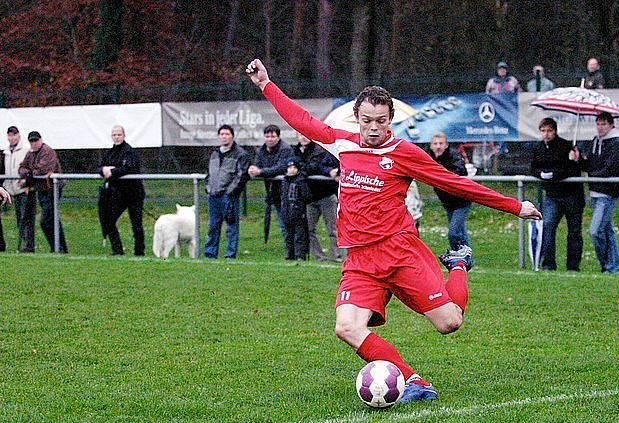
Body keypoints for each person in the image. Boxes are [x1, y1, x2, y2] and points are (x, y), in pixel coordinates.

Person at [247, 58, 541, 402]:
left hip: (399, 251)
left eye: (381, 121)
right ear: (357, 118)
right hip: (359, 259)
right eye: (367, 121)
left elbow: (455, 183)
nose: (373, 128)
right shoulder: (343, 143)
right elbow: (302, 120)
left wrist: (514, 205)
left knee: (449, 323)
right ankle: (413, 380)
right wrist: (266, 83)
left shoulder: (405, 153)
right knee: (346, 327)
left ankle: (459, 263)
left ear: (391, 120)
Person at [570, 111, 619, 273]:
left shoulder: (617, 144)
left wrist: (593, 176)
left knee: (595, 231)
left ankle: (607, 265)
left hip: (607, 193)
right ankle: (613, 267)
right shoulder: (596, 141)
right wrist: (578, 159)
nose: (600, 127)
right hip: (595, 192)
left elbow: (611, 168)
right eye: (598, 124)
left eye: (604, 124)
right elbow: (590, 166)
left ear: (611, 125)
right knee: (607, 231)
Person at [530, 118, 583, 271]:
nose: (546, 134)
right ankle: (549, 264)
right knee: (547, 227)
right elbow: (533, 168)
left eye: (549, 131)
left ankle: (573, 266)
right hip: (552, 196)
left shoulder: (567, 146)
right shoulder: (538, 148)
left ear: (555, 131)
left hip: (572, 195)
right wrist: (542, 174)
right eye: (543, 131)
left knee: (574, 231)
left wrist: (555, 174)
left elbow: (572, 170)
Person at [17, 131, 68, 253]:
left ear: (41, 140)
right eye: (32, 141)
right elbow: (22, 168)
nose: (34, 143)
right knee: (52, 219)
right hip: (41, 189)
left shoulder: (47, 151)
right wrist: (29, 174)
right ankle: (59, 247)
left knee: (46, 220)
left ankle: (58, 247)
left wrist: (28, 175)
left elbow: (43, 169)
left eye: (36, 140)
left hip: (52, 188)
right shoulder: (30, 154)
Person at [204, 124, 250, 259]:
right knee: (213, 226)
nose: (224, 136)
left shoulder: (240, 154)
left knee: (231, 227)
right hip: (213, 195)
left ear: (232, 136)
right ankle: (210, 253)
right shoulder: (214, 153)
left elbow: (241, 175)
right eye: (222, 134)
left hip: (229, 196)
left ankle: (230, 254)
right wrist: (208, 187)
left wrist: (230, 192)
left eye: (227, 134)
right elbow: (209, 173)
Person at [294, 133, 342, 262]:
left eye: (306, 135)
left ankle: (336, 255)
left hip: (326, 195)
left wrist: (329, 171)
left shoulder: (320, 150)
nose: (303, 138)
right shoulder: (296, 151)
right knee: (309, 229)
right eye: (300, 135)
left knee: (332, 229)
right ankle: (319, 256)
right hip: (310, 197)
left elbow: (316, 166)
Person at [99, 125, 145, 256]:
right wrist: (104, 171)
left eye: (119, 134)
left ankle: (139, 251)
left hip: (133, 194)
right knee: (108, 220)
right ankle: (117, 249)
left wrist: (112, 171)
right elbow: (101, 167)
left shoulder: (129, 152)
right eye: (114, 135)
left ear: (124, 135)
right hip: (118, 195)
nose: (117, 137)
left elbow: (129, 168)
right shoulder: (110, 153)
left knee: (136, 225)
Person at [249, 124, 293, 251]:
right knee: (283, 224)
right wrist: (253, 169)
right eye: (267, 136)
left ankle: (292, 252)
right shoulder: (261, 150)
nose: (270, 139)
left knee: (288, 224)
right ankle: (289, 251)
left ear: (278, 137)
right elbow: (257, 165)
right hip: (273, 193)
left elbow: (281, 167)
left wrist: (261, 172)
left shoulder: (286, 149)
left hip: (287, 192)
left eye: (273, 136)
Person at [426, 132, 472, 251]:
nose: (438, 146)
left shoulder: (454, 155)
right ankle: (464, 258)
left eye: (441, 143)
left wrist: (440, 173)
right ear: (431, 146)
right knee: (460, 231)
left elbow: (461, 171)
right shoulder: (429, 157)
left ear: (446, 145)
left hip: (461, 201)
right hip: (447, 202)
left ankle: (460, 258)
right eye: (435, 144)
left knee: (454, 233)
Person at [2, 126, 32, 252]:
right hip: (11, 189)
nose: (12, 138)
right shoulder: (6, 152)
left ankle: (28, 245)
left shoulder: (25, 150)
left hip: (22, 189)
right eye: (9, 135)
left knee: (26, 218)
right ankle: (23, 245)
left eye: (14, 135)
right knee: (19, 218)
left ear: (19, 136)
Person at [280, 156, 312, 260]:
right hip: (287, 212)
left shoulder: (301, 181)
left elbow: (307, 196)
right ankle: (290, 254)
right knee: (288, 235)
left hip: (298, 213)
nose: (291, 170)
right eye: (289, 167)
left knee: (299, 236)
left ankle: (300, 255)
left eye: (294, 167)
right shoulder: (284, 181)